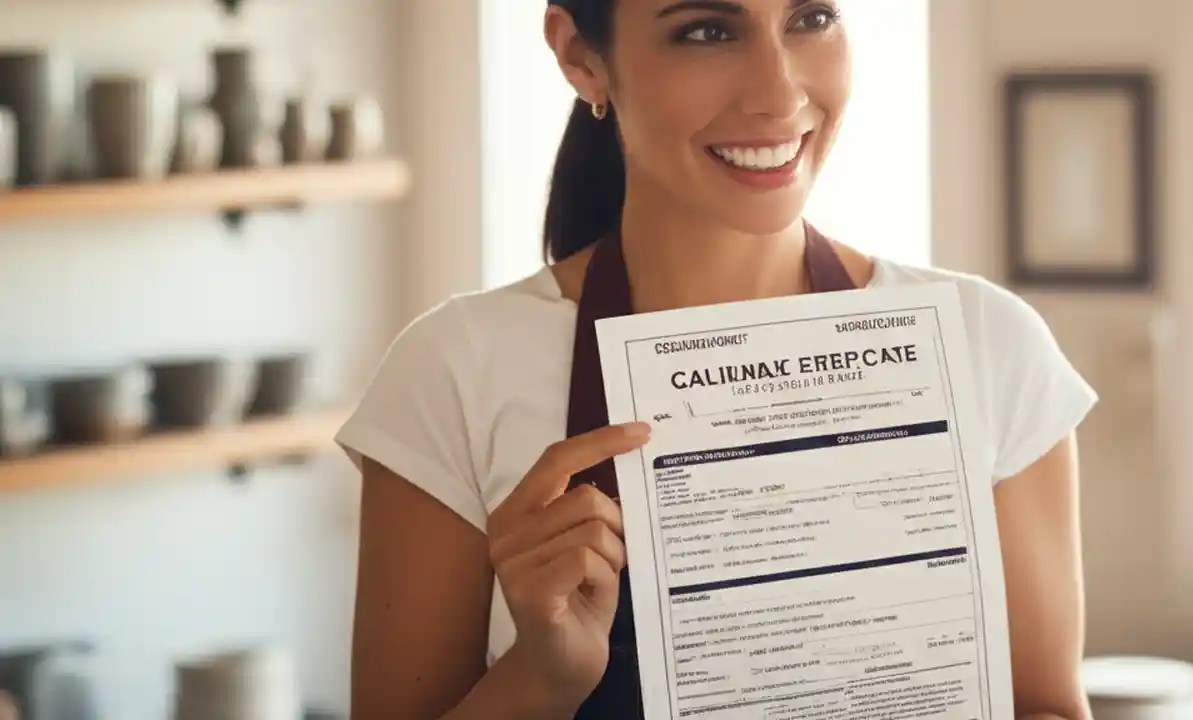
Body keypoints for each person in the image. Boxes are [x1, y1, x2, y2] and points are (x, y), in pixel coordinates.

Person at [336, 0, 1099, 717]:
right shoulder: (453, 370)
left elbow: (1050, 708)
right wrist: (543, 676)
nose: (778, 92)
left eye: (811, 17)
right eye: (707, 31)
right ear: (582, 57)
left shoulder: (988, 344)